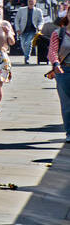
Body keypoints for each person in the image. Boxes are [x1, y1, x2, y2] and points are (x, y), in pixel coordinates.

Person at [49, 9, 70, 143]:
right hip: (64, 71)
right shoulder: (59, 33)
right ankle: (69, 132)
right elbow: (52, 51)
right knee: (67, 104)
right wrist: (56, 63)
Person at [15, 0, 44, 64]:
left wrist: (39, 27)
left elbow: (41, 21)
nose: (31, 3)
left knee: (28, 43)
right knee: (23, 44)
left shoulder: (38, 11)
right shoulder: (21, 10)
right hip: (23, 30)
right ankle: (26, 55)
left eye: (32, 1)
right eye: (29, 1)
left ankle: (26, 57)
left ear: (35, 3)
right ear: (27, 2)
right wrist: (18, 29)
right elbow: (16, 20)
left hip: (32, 30)